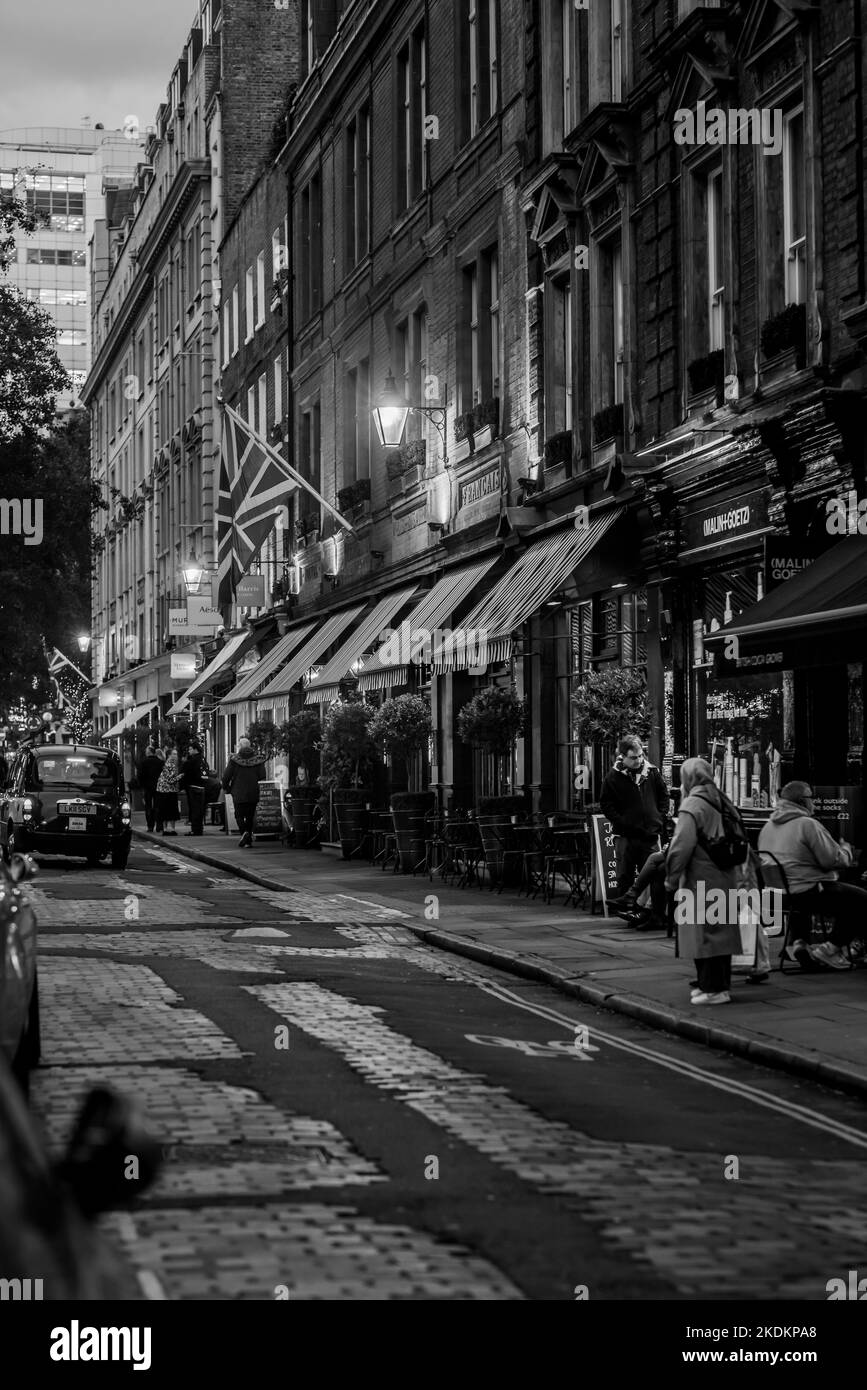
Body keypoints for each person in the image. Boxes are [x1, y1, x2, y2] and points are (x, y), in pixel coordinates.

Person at [758, 780, 867, 971]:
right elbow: (833, 860)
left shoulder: (768, 827)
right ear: (802, 801)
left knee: (804, 894)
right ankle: (831, 949)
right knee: (861, 900)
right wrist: (846, 849)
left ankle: (800, 943)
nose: (814, 803)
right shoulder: (807, 825)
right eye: (811, 798)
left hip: (781, 896)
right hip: (809, 892)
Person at [665, 757, 743, 1005]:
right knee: (721, 935)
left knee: (704, 937)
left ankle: (714, 990)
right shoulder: (721, 799)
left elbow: (681, 846)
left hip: (701, 879)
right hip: (726, 875)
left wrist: (671, 877)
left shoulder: (692, 805)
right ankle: (713, 986)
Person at [600, 734, 670, 910]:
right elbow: (606, 805)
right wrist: (622, 822)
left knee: (653, 874)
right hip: (626, 835)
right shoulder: (613, 777)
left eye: (640, 756)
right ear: (622, 756)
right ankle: (628, 911)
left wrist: (659, 819)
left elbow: (664, 796)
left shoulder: (652, 772)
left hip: (650, 833)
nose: (638, 760)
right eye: (633, 757)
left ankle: (649, 912)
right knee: (625, 875)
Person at [221, 737, 267, 848]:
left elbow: (226, 776)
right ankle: (248, 839)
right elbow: (262, 776)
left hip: (238, 792)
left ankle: (245, 834)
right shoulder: (258, 759)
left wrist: (226, 788)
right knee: (250, 816)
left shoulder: (234, 760)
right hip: (253, 792)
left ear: (240, 746)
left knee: (239, 815)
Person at [180, 740, 207, 837]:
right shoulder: (202, 759)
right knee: (199, 809)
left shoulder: (192, 761)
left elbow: (184, 773)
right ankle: (199, 829)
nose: (189, 751)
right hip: (202, 787)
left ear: (195, 749)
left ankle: (195, 830)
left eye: (190, 749)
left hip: (193, 787)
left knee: (194, 809)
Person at [137, 742, 165, 832]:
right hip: (158, 787)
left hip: (147, 788)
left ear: (149, 752)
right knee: (158, 806)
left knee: (148, 807)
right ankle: (159, 826)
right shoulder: (160, 762)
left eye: (146, 751)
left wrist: (142, 786)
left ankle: (150, 826)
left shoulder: (144, 762)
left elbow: (140, 776)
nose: (145, 752)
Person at [155, 748, 181, 836]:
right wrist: (180, 776)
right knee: (171, 810)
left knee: (165, 810)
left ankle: (166, 829)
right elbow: (170, 780)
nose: (176, 756)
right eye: (174, 754)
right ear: (169, 755)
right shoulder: (170, 764)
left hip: (164, 790)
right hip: (168, 790)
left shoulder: (169, 764)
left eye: (176, 754)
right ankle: (171, 829)